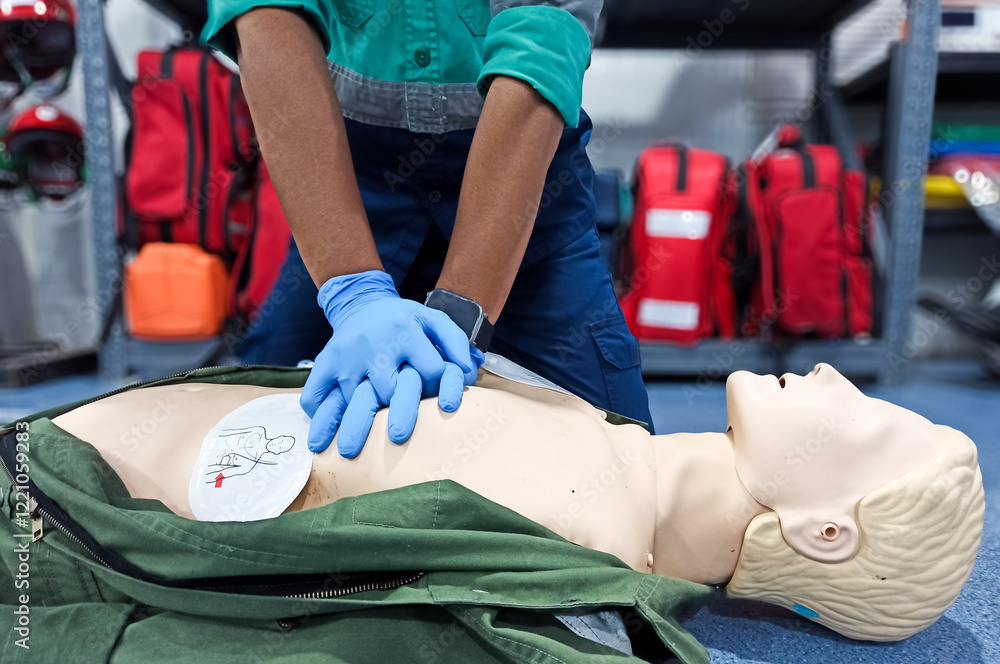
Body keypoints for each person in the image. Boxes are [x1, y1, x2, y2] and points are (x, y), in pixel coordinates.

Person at [52, 362, 985, 642]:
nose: (831, 372)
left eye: (864, 415)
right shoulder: (593, 428)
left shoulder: (575, 541)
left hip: (42, 504)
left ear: (825, 532)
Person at [199, 0, 650, 459]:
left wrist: (456, 319)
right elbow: (264, 10)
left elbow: (541, 31)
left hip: (518, 163)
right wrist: (351, 290)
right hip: (351, 172)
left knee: (620, 453)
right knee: (260, 440)